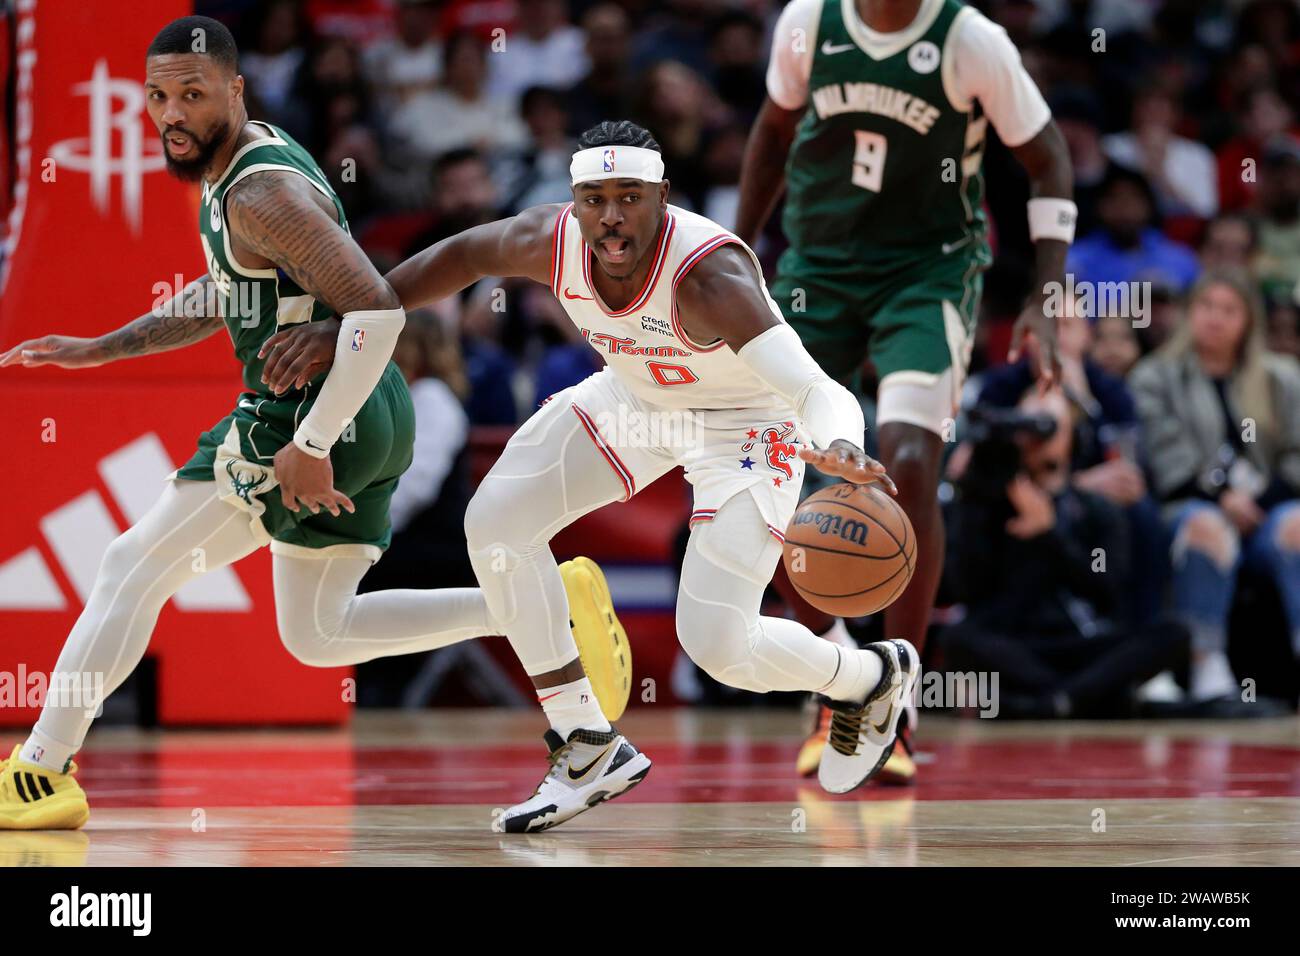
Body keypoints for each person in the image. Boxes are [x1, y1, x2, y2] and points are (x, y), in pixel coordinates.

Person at [0, 17, 621, 832]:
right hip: (366, 409)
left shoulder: (260, 189)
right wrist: (102, 349)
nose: (173, 112)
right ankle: (543, 605)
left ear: (235, 89)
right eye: (158, 97)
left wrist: (310, 443)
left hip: (313, 413)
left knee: (129, 568)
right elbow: (232, 293)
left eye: (192, 92)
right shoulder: (245, 166)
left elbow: (378, 310)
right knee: (320, 636)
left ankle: (40, 772)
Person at [262, 120, 920, 827]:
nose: (611, 217)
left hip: (744, 427)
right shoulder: (548, 240)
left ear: (663, 197)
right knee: (494, 524)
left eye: (630, 197)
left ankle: (870, 677)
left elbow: (820, 390)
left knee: (719, 647)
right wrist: (354, 320)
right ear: (573, 202)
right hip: (636, 397)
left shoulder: (709, 276)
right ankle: (586, 741)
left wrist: (841, 444)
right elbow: (458, 256)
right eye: (595, 198)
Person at [735, 0, 1074, 780]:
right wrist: (738, 248)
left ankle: (896, 692)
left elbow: (1050, 157)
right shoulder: (808, 25)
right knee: (791, 470)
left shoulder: (968, 38)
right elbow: (771, 132)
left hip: (928, 275)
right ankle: (833, 679)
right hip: (816, 271)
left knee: (912, 462)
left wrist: (1045, 298)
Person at [942, 388, 1190, 719]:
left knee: (1173, 633)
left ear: (1072, 435)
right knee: (957, 639)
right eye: (1026, 425)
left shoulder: (1095, 509)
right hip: (1016, 646)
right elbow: (966, 588)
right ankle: (1084, 698)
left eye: (1049, 424)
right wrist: (973, 493)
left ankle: (1051, 702)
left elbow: (1107, 588)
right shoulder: (987, 503)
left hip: (1083, 644)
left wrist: (1050, 535)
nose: (1036, 436)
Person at [1130, 270, 1300, 706]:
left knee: (1296, 525)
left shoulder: (1282, 377)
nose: (1216, 319)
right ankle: (1207, 663)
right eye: (1206, 307)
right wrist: (1225, 499)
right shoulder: (1156, 376)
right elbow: (1167, 457)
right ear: (1190, 314)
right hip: (1186, 505)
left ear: (1248, 321)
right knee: (1207, 527)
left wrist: (1256, 503)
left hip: (1267, 508)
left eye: (1229, 310)